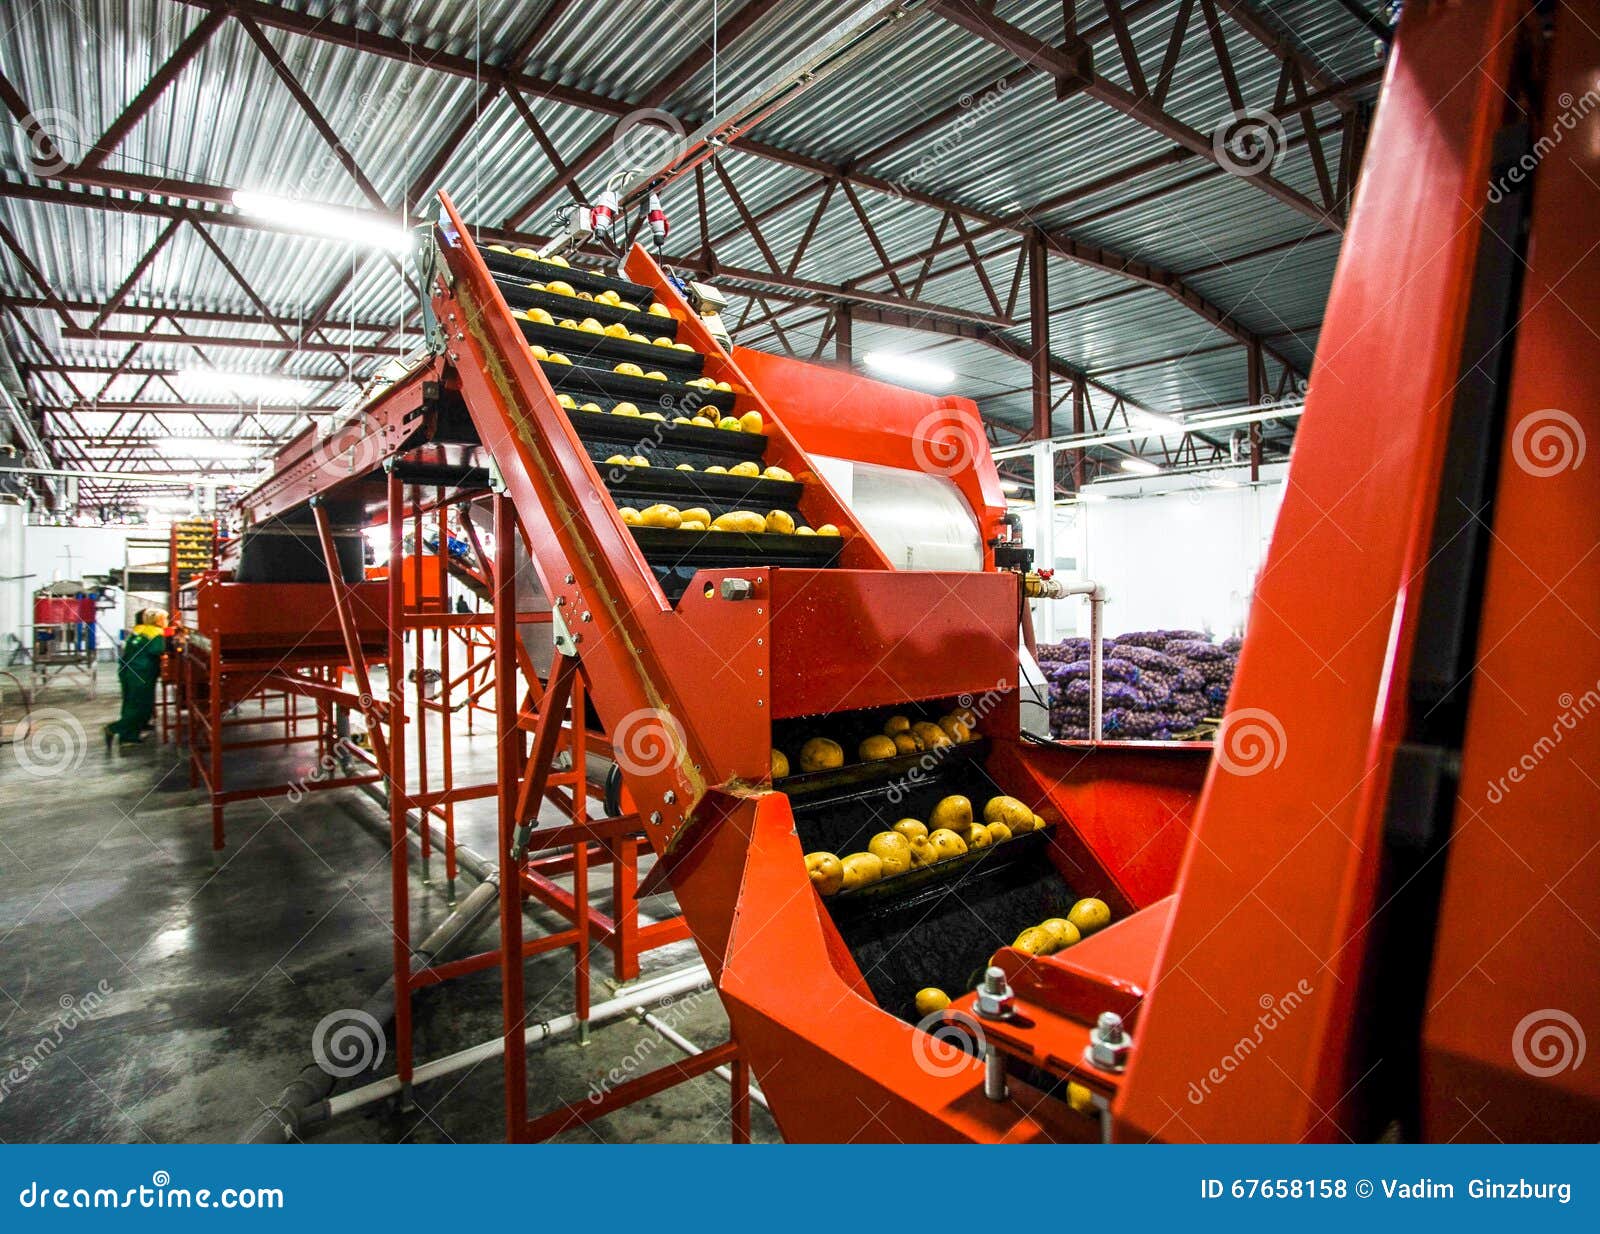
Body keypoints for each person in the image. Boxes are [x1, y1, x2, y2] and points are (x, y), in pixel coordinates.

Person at [104, 608, 168, 750]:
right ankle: (113, 729)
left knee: (130, 704)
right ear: (158, 620)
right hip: (141, 674)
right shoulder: (156, 633)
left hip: (127, 671)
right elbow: (157, 650)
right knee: (141, 706)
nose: (166, 621)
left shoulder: (139, 630)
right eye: (164, 618)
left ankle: (128, 737)